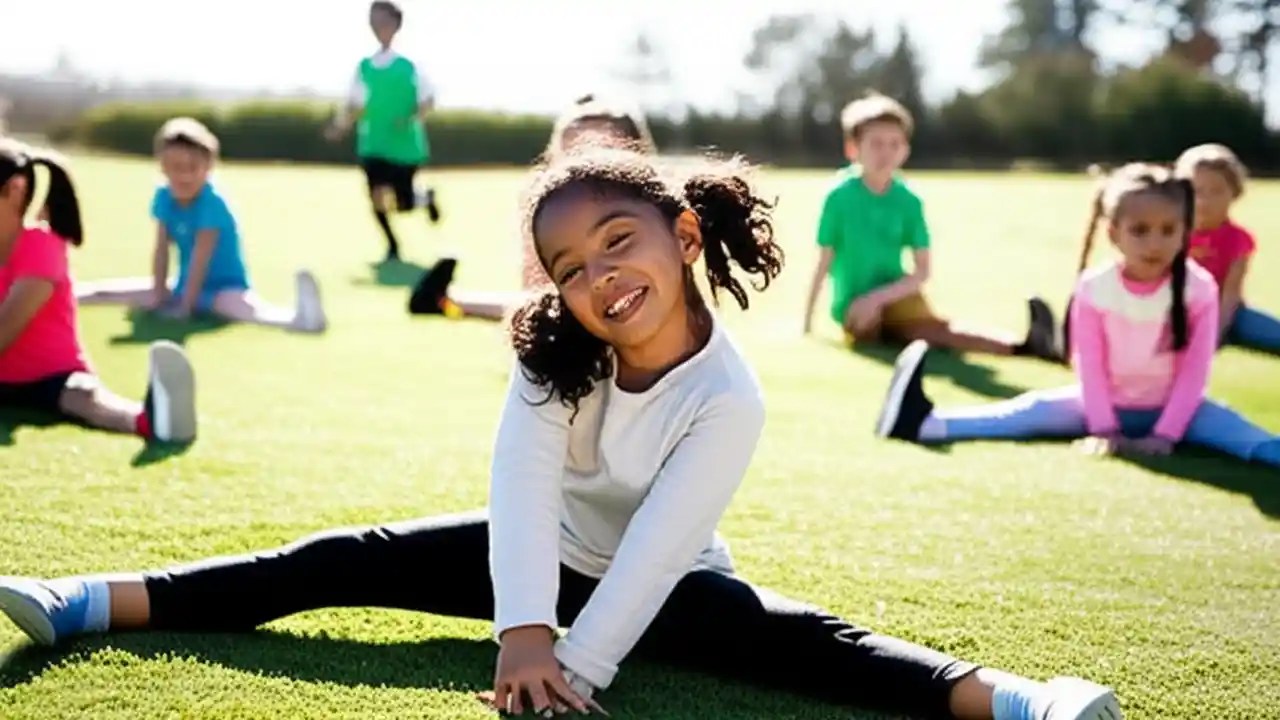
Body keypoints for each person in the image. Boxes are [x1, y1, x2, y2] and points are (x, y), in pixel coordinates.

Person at [0, 148, 1122, 720]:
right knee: (331, 563)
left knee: (812, 648)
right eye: (571, 267)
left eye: (617, 242)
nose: (598, 277)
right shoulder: (553, 351)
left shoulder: (728, 397)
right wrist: (521, 632)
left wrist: (573, 666)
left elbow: (655, 547)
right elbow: (525, 493)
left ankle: (1021, 699)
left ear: (683, 236)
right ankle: (85, 597)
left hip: (667, 580)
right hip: (537, 560)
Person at [877, 163, 1280, 468]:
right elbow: (1090, 365)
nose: (1154, 242)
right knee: (1025, 413)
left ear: (1184, 230)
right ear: (1114, 232)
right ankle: (924, 423)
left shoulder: (1200, 289)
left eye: (1168, 230)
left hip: (1181, 410)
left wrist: (1164, 434)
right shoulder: (1094, 287)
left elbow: (1195, 372)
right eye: (1139, 230)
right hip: (1097, 405)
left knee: (1246, 437)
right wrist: (1104, 428)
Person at [802, 93, 1059, 361]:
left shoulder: (909, 201)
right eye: (876, 143)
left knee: (937, 330)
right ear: (853, 149)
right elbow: (824, 260)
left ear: (906, 149)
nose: (886, 152)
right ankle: (1020, 347)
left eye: (894, 144)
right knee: (882, 325)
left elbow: (922, 272)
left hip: (896, 295)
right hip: (854, 306)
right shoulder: (838, 198)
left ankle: (1024, 346)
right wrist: (807, 323)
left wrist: (879, 298)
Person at [0, 140, 196, 443]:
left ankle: (153, 420)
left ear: (15, 189)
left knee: (84, 396)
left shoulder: (41, 247)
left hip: (52, 376)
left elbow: (5, 331)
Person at [406, 93, 656, 321]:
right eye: (571, 154)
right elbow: (540, 296)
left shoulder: (658, 208)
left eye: (599, 154)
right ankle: (447, 301)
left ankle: (448, 301)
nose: (583, 167)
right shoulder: (546, 206)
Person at [75, 118, 326, 333]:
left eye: (192, 168)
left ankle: (302, 318)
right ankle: (66, 294)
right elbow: (162, 249)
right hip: (183, 284)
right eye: (175, 168)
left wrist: (185, 308)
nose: (183, 176)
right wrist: (160, 294)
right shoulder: (164, 197)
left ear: (208, 167)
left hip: (224, 287)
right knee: (109, 293)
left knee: (247, 311)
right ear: (162, 167)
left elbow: (200, 257)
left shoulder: (213, 202)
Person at [326, 0, 441, 262]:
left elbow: (428, 100)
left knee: (404, 203)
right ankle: (392, 246)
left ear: (396, 24)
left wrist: (410, 117)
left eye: (383, 21)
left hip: (405, 145)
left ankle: (425, 198)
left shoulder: (411, 64)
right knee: (376, 194)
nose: (378, 27)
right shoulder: (364, 66)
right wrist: (340, 127)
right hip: (373, 143)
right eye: (373, 21)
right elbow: (355, 105)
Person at [1174, 143, 1279, 353]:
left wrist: (1215, 335)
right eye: (1197, 191)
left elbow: (1230, 294)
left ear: (1235, 193)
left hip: (1229, 314)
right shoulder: (1171, 233)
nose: (1204, 200)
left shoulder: (1239, 240)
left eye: (1217, 191)